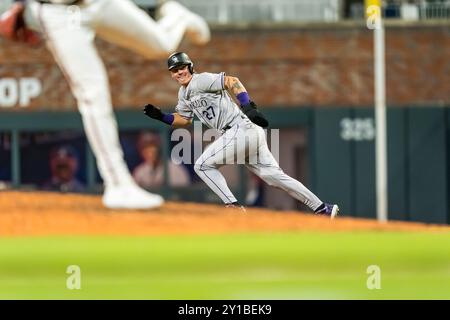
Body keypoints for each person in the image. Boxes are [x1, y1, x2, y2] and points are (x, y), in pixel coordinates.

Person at [0, 0, 210, 209]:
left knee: (160, 45)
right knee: (92, 93)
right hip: (58, 14)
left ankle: (176, 17)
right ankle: (118, 184)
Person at [143, 52, 339, 218]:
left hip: (240, 129)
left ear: (190, 67)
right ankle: (322, 208)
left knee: (202, 165)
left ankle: (234, 207)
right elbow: (185, 119)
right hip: (243, 133)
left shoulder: (200, 80)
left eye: (182, 68)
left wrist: (247, 105)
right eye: (175, 71)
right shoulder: (183, 93)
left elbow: (232, 81)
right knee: (273, 176)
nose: (179, 72)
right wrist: (162, 116)